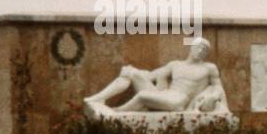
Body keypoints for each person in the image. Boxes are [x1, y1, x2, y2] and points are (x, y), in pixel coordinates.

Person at [85, 37, 226, 114]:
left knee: (143, 96)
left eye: (205, 49)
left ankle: (117, 112)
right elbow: (152, 75)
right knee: (130, 72)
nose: (201, 51)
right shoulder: (175, 64)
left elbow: (218, 88)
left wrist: (216, 100)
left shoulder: (209, 68)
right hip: (166, 94)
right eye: (199, 47)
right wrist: (135, 71)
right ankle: (99, 98)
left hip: (179, 101)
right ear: (192, 48)